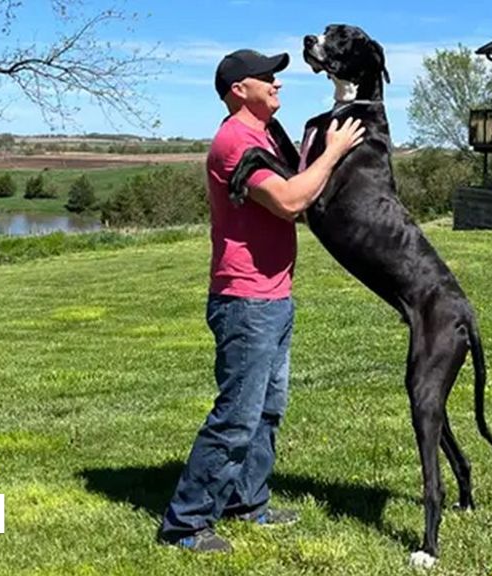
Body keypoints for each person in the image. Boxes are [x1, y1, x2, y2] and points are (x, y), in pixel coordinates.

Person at [157, 49, 365, 553]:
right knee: (236, 415)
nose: (277, 84)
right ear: (237, 90)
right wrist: (334, 151)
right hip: (245, 300)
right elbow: (292, 200)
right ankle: (184, 524)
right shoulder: (234, 143)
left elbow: (300, 183)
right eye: (266, 78)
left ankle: (247, 502)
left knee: (267, 410)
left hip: (274, 295)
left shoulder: (267, 135)